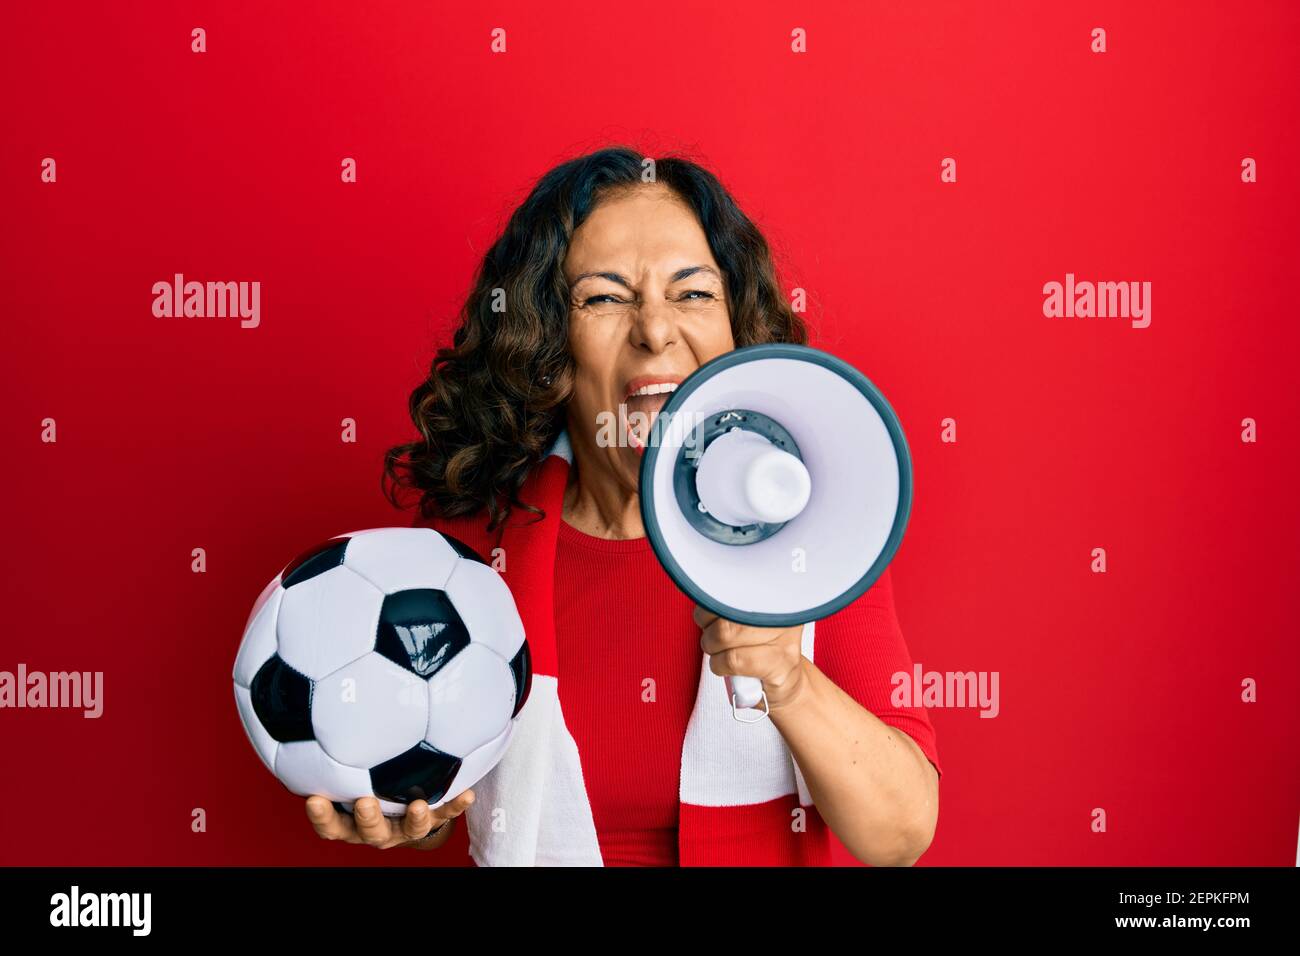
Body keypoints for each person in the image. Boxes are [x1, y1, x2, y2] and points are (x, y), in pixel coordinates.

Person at [305, 146, 941, 865]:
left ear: (736, 325)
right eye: (605, 296)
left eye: (693, 293)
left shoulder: (814, 541)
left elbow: (901, 835)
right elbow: (450, 785)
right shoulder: (470, 550)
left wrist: (788, 680)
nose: (655, 330)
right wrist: (407, 801)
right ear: (547, 339)